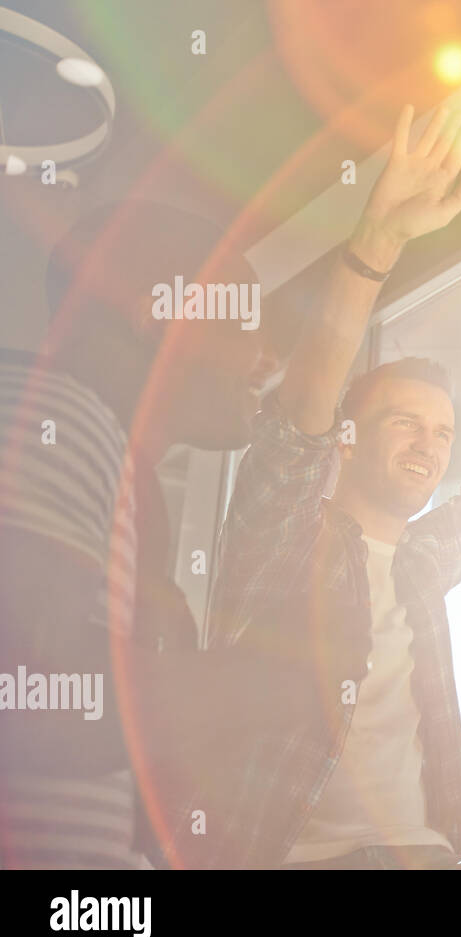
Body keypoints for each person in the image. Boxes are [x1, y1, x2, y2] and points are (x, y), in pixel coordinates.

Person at [156, 105, 461, 869]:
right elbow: (300, 418)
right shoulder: (284, 536)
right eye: (406, 423)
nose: (431, 446)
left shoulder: (423, 558)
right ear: (349, 437)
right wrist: (376, 245)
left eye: (442, 433)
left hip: (430, 855)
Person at [0, 198, 302, 868]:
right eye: (246, 320)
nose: (270, 357)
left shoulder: (123, 485)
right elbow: (25, 692)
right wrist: (263, 686)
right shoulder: (50, 416)